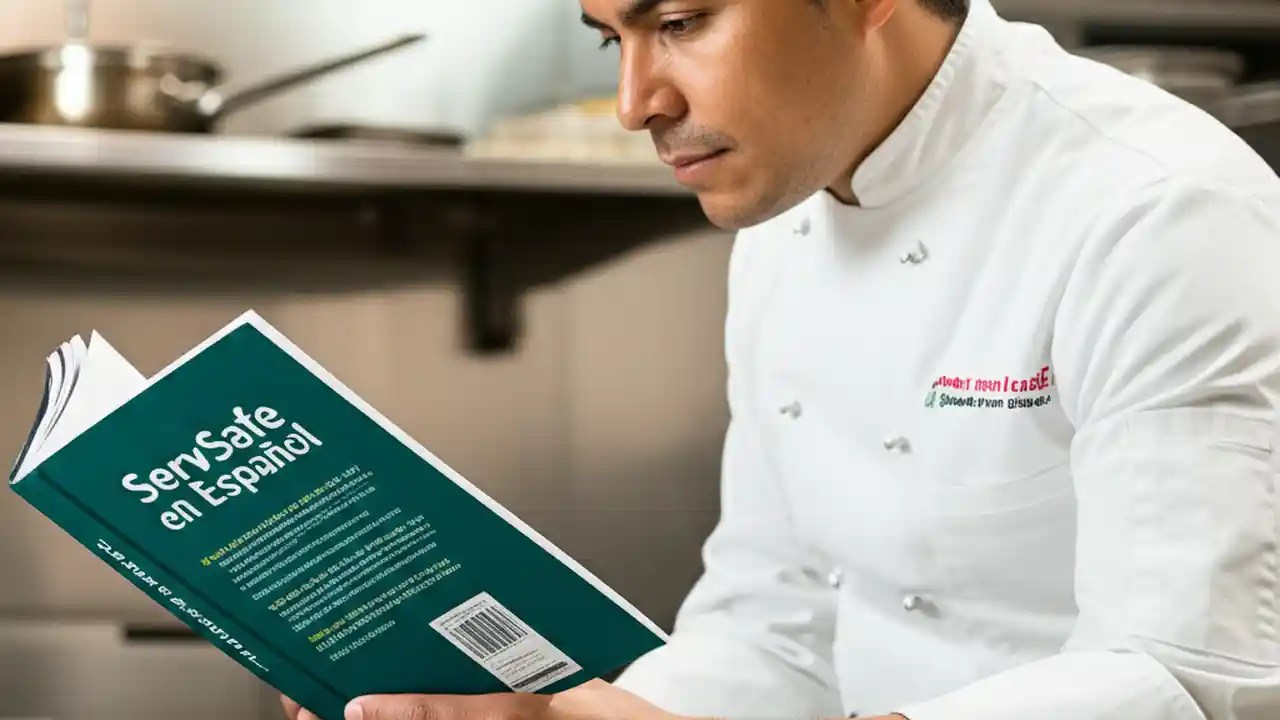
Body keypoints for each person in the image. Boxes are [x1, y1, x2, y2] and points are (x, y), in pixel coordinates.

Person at [284, 0, 1280, 718]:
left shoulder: (1153, 212)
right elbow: (776, 621)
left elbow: (1188, 679)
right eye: (609, 39)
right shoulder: (781, 219)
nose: (634, 102)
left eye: (678, 23)